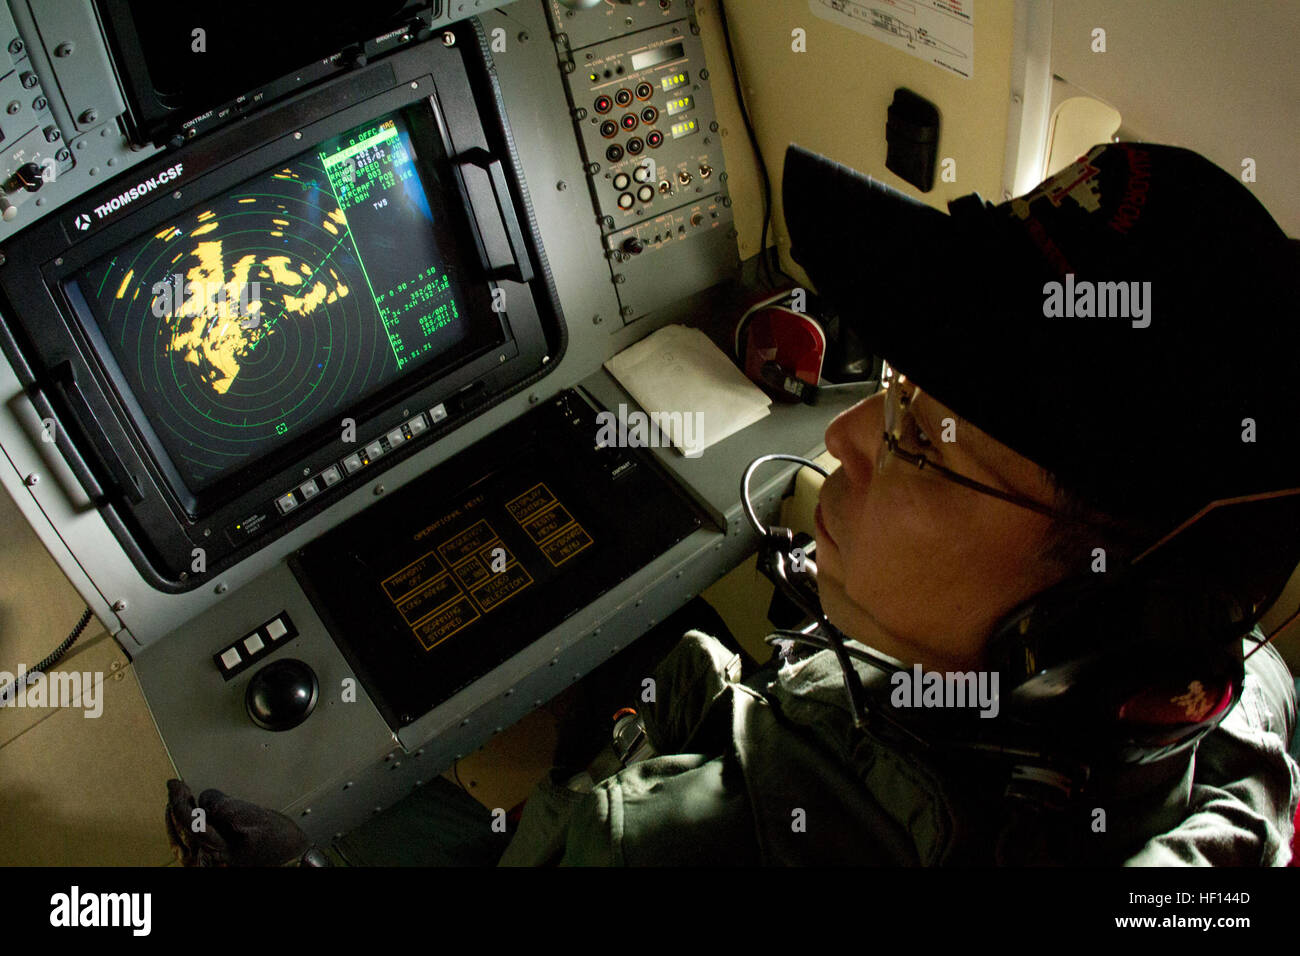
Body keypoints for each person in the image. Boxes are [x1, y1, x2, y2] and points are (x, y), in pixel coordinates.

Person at [167, 142, 1300, 866]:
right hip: (770, 720)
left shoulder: (648, 849)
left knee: (360, 810)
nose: (849, 434)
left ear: (1079, 627)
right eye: (898, 397)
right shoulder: (1238, 693)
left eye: (918, 439)